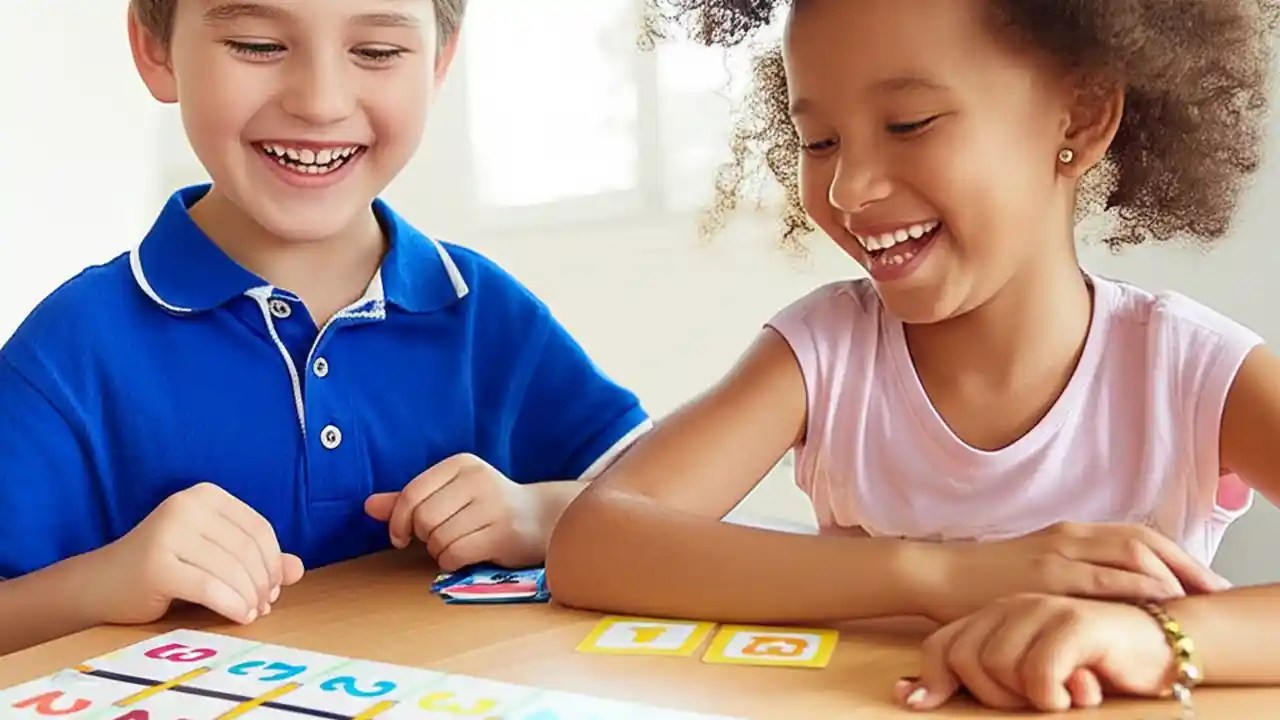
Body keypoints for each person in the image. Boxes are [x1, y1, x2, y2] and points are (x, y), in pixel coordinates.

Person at [547, 0, 1280, 712]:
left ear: (1081, 117)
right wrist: (941, 575)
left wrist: (1153, 636)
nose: (849, 187)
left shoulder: (1193, 370)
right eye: (821, 141)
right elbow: (597, 543)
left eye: (909, 124)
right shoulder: (824, 354)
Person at [0, 0, 650, 656]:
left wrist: (538, 515)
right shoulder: (70, 355)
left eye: (376, 52)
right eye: (257, 45)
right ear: (156, 47)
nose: (320, 102)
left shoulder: (487, 317)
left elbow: (668, 511)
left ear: (438, 61)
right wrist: (97, 587)